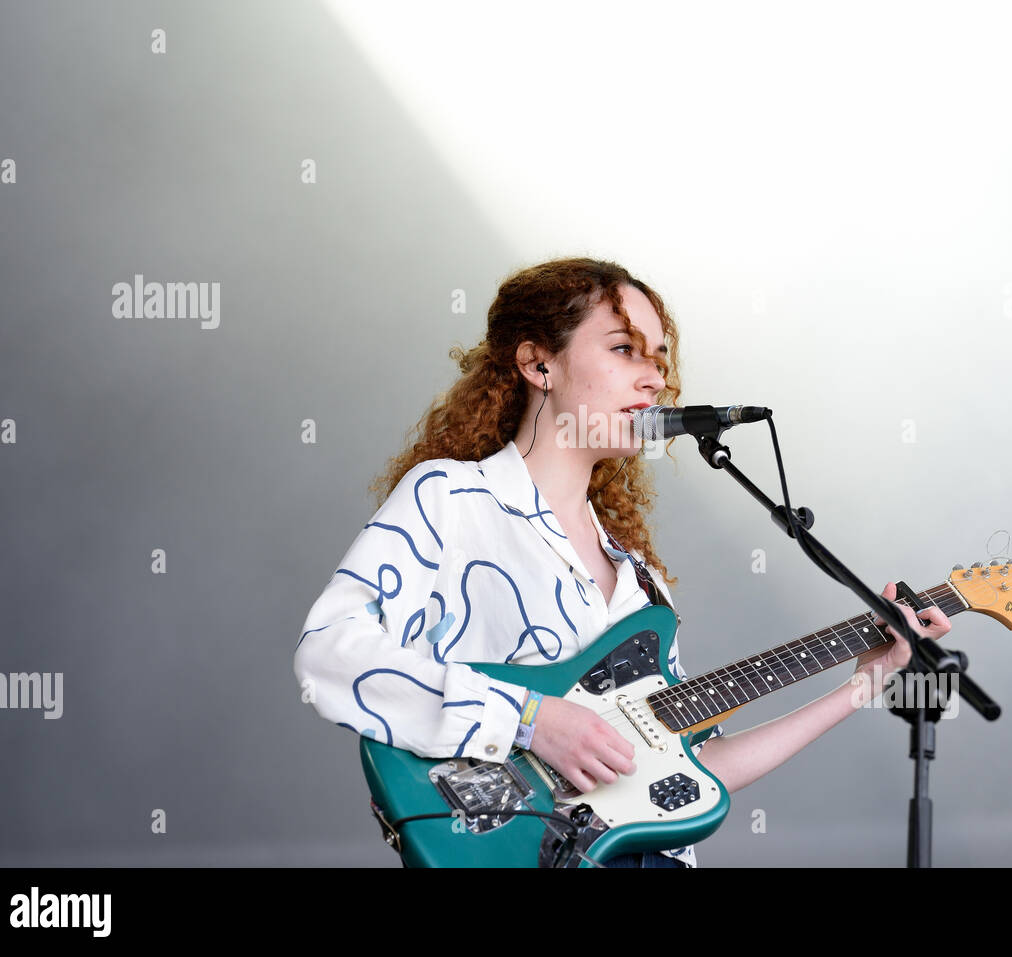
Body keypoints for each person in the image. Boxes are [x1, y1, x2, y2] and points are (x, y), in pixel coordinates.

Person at [293, 257, 952, 867]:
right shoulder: (453, 500)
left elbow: (700, 767)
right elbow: (330, 652)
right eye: (622, 349)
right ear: (537, 363)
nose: (656, 377)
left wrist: (863, 683)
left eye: (659, 358)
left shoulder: (641, 584)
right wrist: (529, 717)